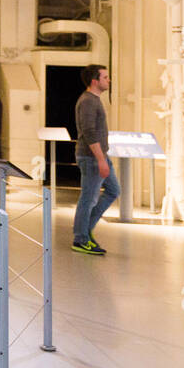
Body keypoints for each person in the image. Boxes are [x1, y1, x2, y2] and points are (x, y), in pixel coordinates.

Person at [72, 64, 119, 255]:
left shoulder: (94, 100)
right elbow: (89, 132)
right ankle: (80, 238)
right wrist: (100, 160)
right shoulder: (88, 101)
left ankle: (85, 229)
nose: (108, 80)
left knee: (113, 190)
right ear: (95, 81)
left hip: (99, 156)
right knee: (88, 198)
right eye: (105, 77)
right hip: (92, 157)